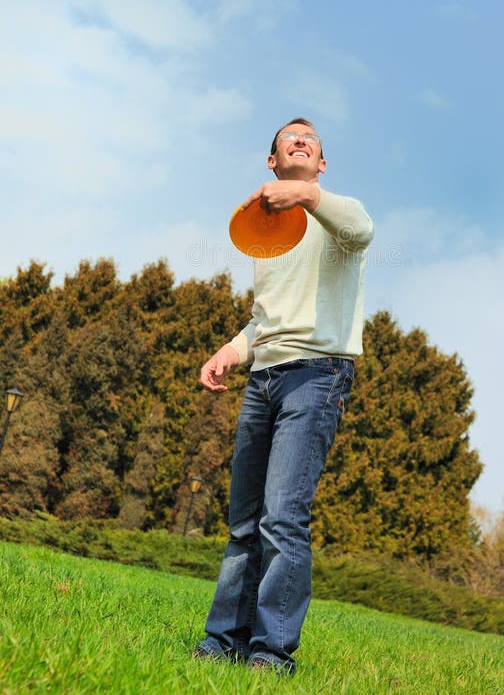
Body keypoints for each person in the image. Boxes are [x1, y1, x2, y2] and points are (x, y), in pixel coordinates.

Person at [194, 117, 373, 674]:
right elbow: (265, 319)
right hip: (265, 377)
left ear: (320, 164)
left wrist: (305, 195)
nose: (300, 140)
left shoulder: (338, 217)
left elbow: (363, 230)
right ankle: (223, 642)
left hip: (318, 376)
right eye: (288, 139)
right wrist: (231, 349)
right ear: (271, 162)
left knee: (282, 517)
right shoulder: (266, 236)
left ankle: (271, 653)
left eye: (310, 139)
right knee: (244, 522)